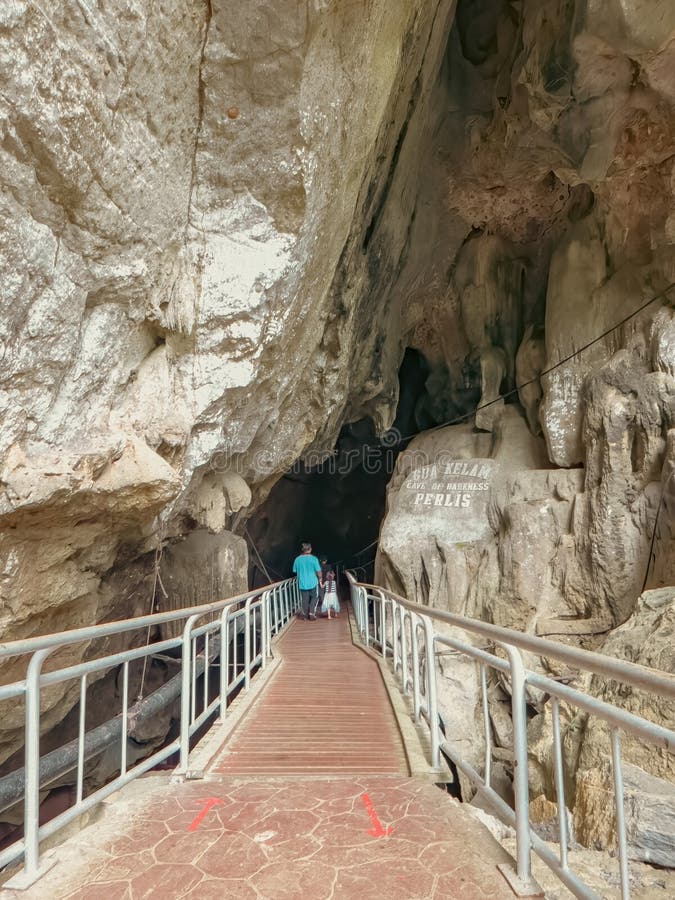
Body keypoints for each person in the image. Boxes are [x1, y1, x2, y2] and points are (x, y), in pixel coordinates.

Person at [292, 542, 322, 620]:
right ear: (310, 549)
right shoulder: (314, 559)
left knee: (305, 599)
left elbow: (294, 571)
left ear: (303, 550)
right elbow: (318, 571)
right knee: (315, 597)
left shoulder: (297, 559)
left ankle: (305, 615)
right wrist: (320, 578)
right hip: (313, 582)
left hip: (302, 583)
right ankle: (311, 613)